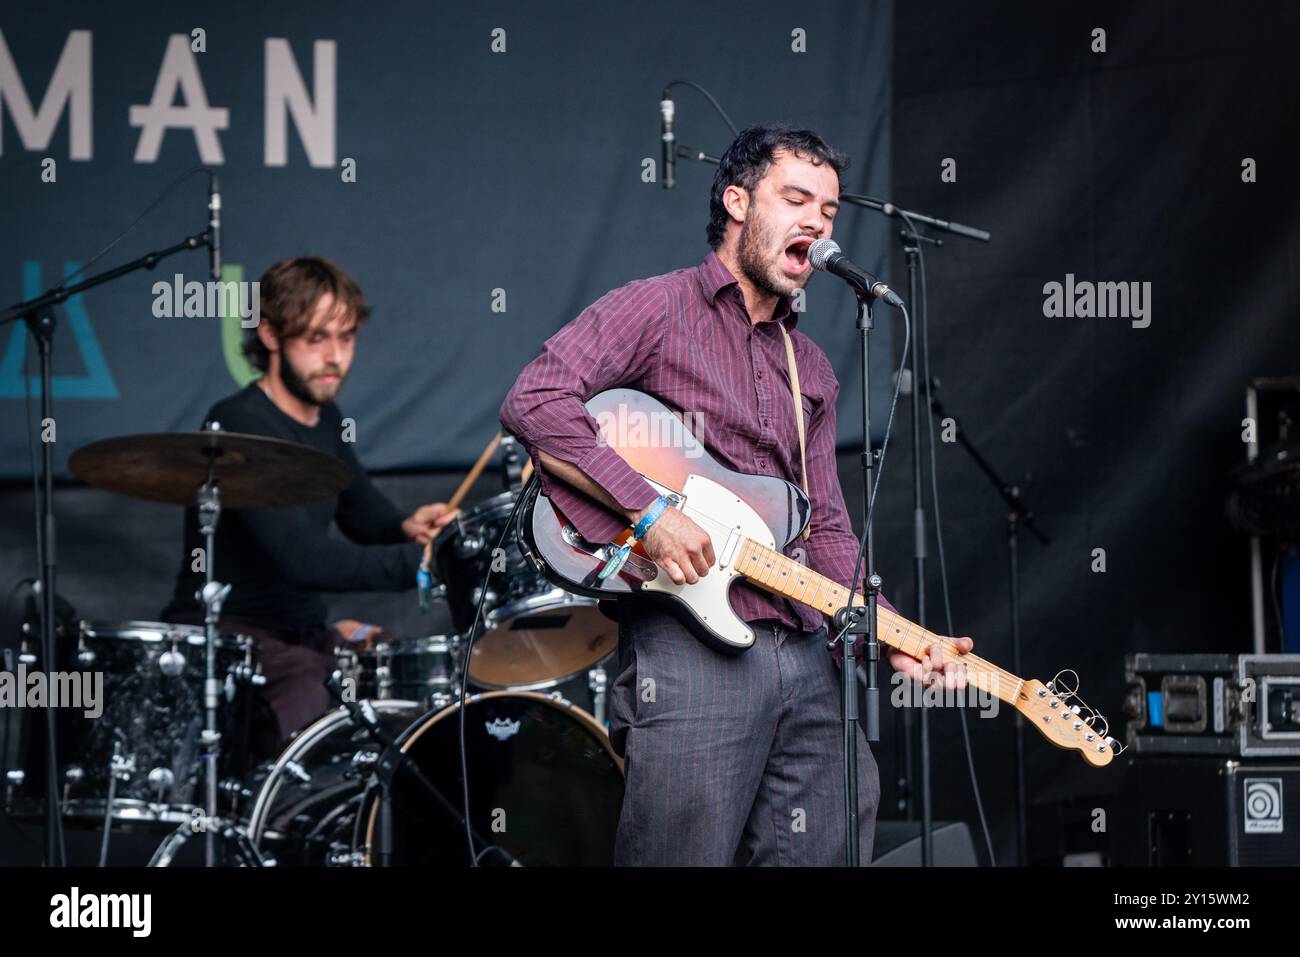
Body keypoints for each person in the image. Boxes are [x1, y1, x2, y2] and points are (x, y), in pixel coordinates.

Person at [500, 125, 973, 866]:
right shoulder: (656, 308)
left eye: (829, 209)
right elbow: (536, 401)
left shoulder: (811, 366)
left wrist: (891, 634)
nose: (817, 222)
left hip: (807, 654)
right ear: (736, 202)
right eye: (796, 199)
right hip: (690, 651)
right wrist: (649, 511)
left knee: (834, 837)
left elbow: (826, 528)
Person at [162, 256, 458, 754]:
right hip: (231, 637)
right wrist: (425, 563)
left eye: (346, 338)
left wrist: (408, 526)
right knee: (311, 683)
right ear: (271, 335)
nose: (335, 357)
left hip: (299, 634)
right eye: (316, 338)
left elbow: (362, 514)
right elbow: (302, 559)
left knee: (401, 671)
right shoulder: (240, 425)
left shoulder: (326, 416)